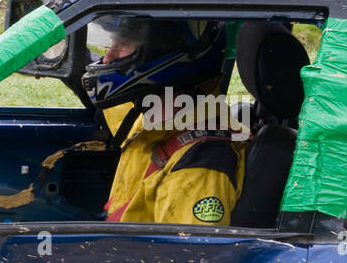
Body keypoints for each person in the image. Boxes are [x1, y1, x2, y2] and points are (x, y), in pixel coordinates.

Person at [82, 15, 244, 226]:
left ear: (163, 48)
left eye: (123, 45)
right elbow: (110, 101)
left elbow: (188, 257)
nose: (107, 58)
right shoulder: (154, 116)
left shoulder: (198, 167)